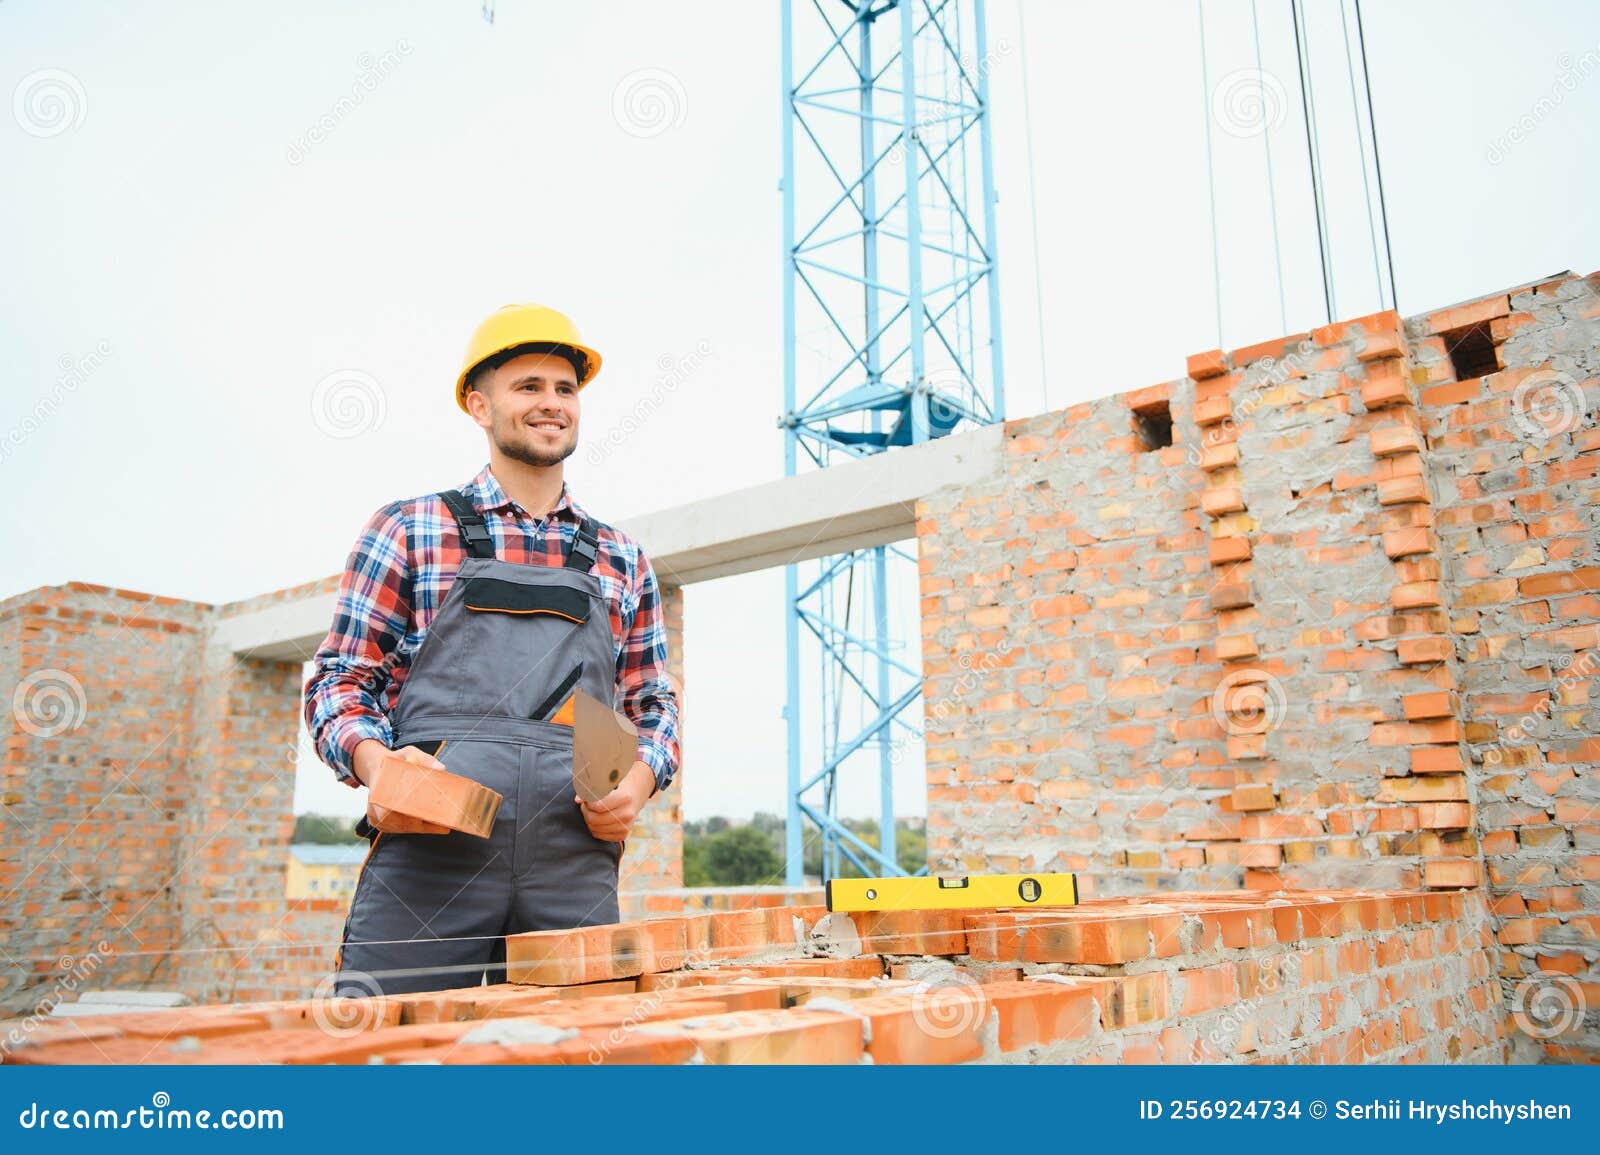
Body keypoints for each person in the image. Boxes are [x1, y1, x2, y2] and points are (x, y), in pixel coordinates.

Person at [302, 303, 681, 995]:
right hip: (430, 851)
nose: (552, 403)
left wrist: (639, 779)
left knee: (573, 1049)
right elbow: (340, 681)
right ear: (479, 405)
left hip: (572, 860)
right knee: (392, 1044)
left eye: (565, 388)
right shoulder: (410, 528)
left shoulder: (622, 558)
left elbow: (650, 702)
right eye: (528, 386)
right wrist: (378, 765)